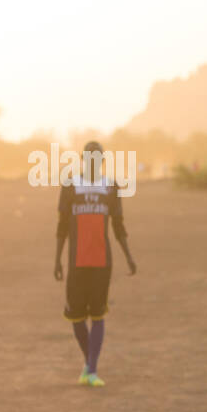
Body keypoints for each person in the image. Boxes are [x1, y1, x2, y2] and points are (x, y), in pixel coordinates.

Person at [54, 141, 136, 387]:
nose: (93, 162)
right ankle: (89, 362)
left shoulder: (111, 186)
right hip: (76, 262)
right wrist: (57, 259)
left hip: (102, 262)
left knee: (98, 315)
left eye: (97, 158)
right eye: (89, 158)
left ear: (102, 161)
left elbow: (118, 226)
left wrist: (129, 255)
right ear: (82, 160)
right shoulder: (69, 186)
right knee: (77, 317)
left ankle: (92, 369)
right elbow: (62, 226)